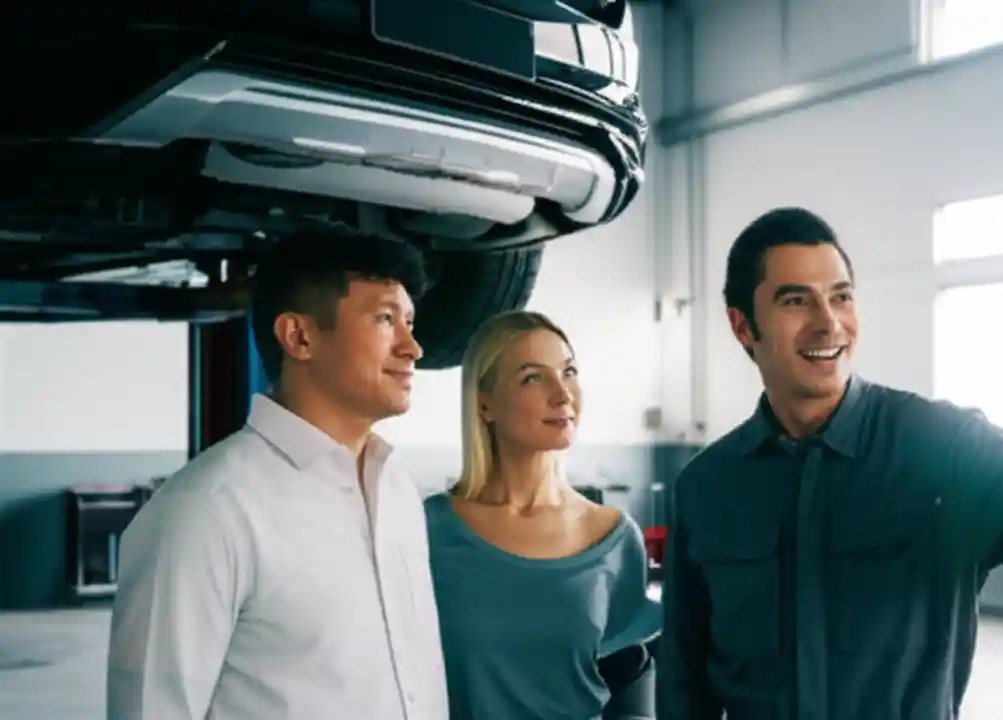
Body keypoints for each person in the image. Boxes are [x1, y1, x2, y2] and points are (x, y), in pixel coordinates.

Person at [656, 207, 1003, 719]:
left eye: (841, 298)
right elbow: (684, 676)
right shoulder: (706, 488)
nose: (829, 324)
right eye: (796, 301)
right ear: (743, 326)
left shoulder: (944, 449)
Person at [107, 229, 449, 719]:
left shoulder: (396, 487)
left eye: (409, 322)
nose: (412, 347)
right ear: (299, 337)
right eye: (385, 320)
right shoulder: (207, 510)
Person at [423, 310, 658, 720]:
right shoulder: (427, 529)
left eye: (568, 372)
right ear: (484, 405)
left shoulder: (614, 538)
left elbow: (629, 686)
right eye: (533, 377)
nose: (562, 394)